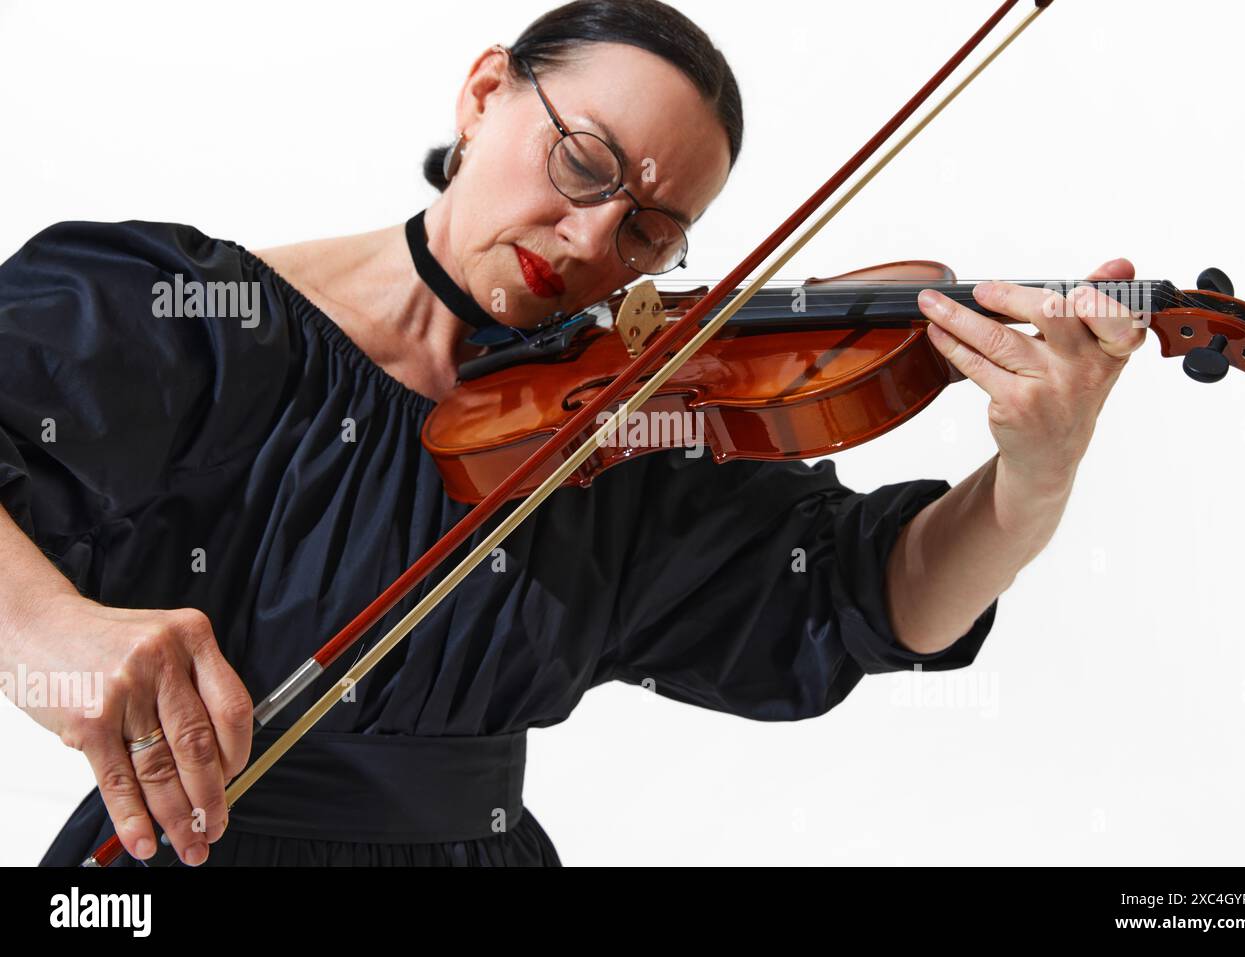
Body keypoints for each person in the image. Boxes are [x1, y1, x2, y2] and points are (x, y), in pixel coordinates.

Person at [0, 0, 1143, 867]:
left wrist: (1032, 481)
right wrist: (46, 628)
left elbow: (866, 593)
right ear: (485, 92)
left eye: (651, 231)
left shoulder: (613, 429)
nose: (594, 239)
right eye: (582, 162)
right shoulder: (189, 323)